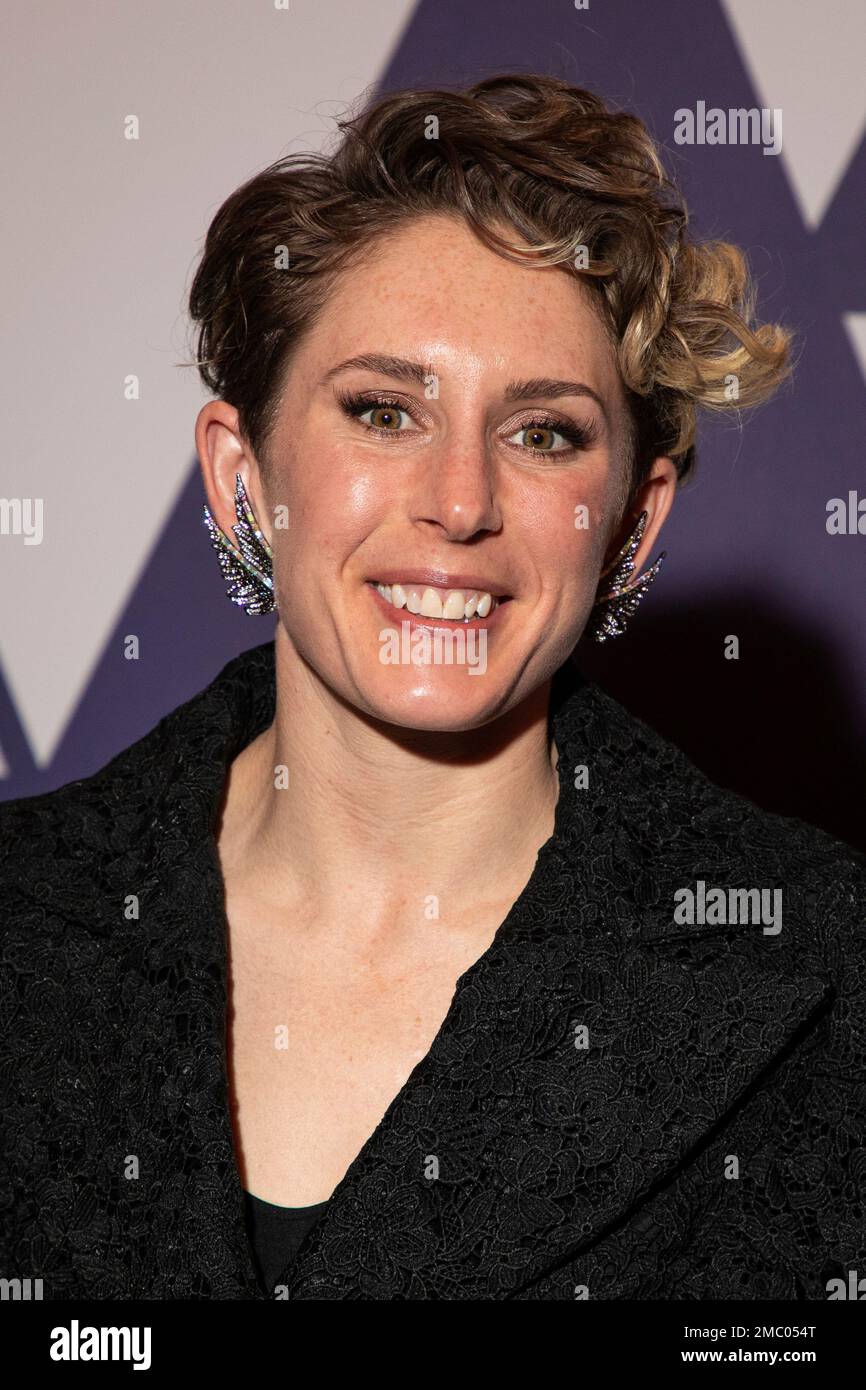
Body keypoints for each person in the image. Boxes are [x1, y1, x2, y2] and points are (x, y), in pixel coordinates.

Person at [1, 73, 864, 1301]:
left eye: (544, 432)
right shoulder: (27, 920)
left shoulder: (825, 980)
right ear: (244, 478)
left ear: (628, 524)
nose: (458, 501)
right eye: (382, 410)